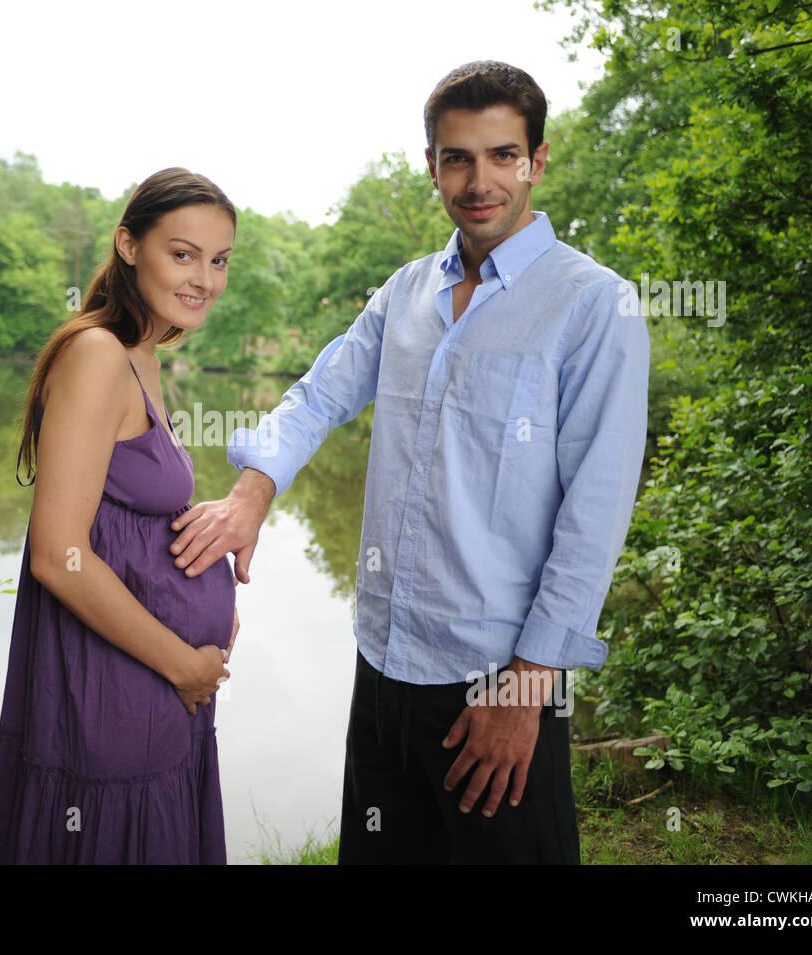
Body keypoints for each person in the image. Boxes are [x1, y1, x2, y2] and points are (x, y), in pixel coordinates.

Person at [165, 62, 650, 864]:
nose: (479, 179)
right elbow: (319, 396)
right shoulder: (404, 293)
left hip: (497, 678)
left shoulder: (594, 306)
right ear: (431, 166)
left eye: (502, 155)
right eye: (457, 157)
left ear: (538, 160)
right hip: (386, 659)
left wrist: (529, 688)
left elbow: (595, 515)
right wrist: (254, 491)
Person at [0, 168, 240, 865]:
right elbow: (58, 554)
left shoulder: (143, 355)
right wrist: (183, 660)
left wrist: (205, 569)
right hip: (109, 696)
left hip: (157, 695)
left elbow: (129, 520)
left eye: (218, 260)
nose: (204, 279)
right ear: (128, 245)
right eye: (182, 254)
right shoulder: (96, 354)